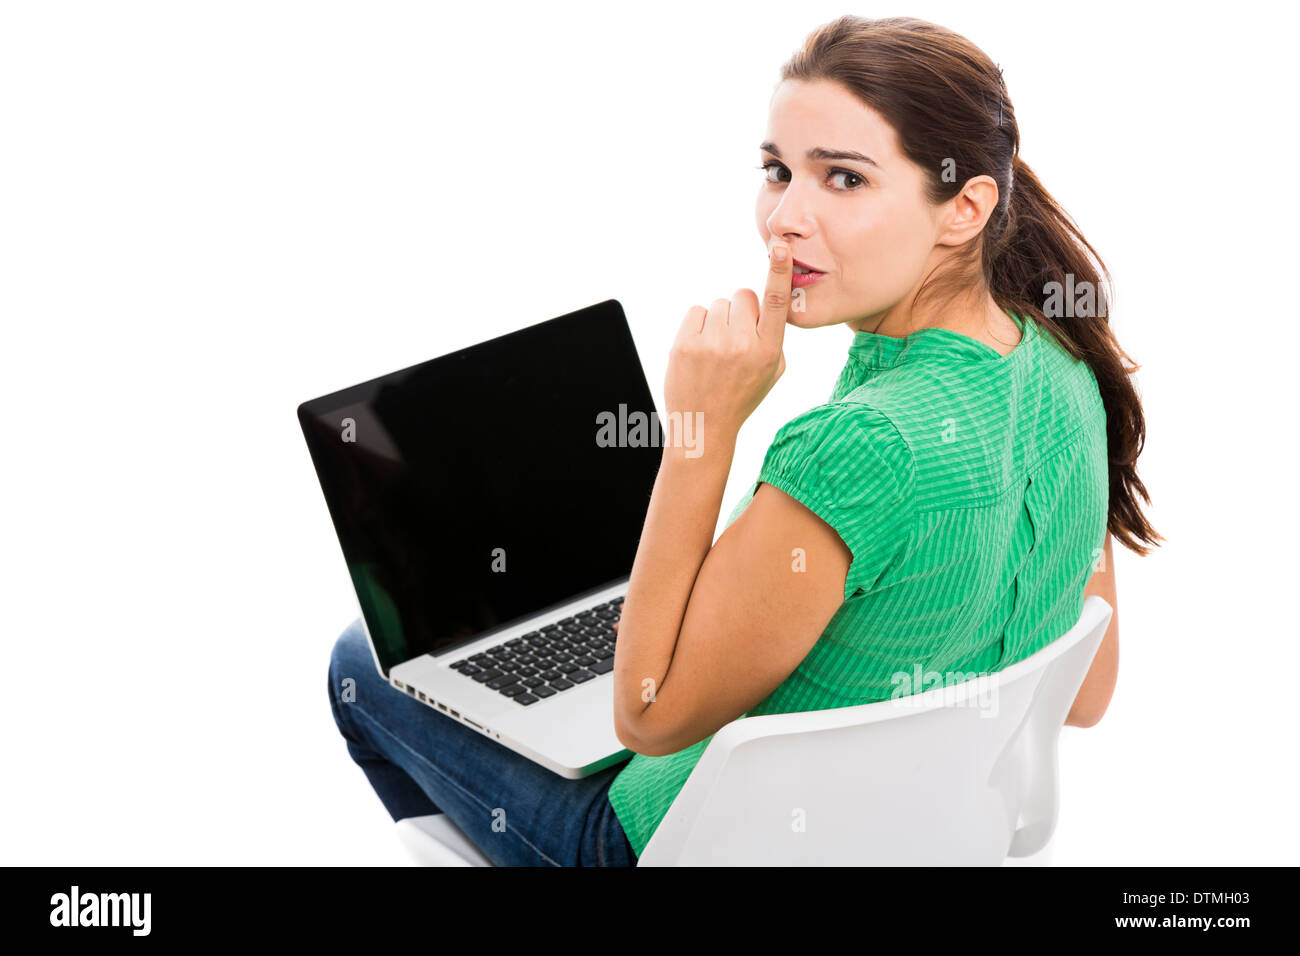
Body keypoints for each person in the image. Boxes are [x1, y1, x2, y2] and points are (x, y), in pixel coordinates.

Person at [327, 14, 1161, 866]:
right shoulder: (1067, 374)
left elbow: (648, 715)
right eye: (777, 171)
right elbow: (1084, 692)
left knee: (362, 662)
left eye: (844, 179)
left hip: (676, 844)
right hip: (916, 838)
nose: (784, 219)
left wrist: (701, 430)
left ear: (965, 208)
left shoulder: (861, 448)